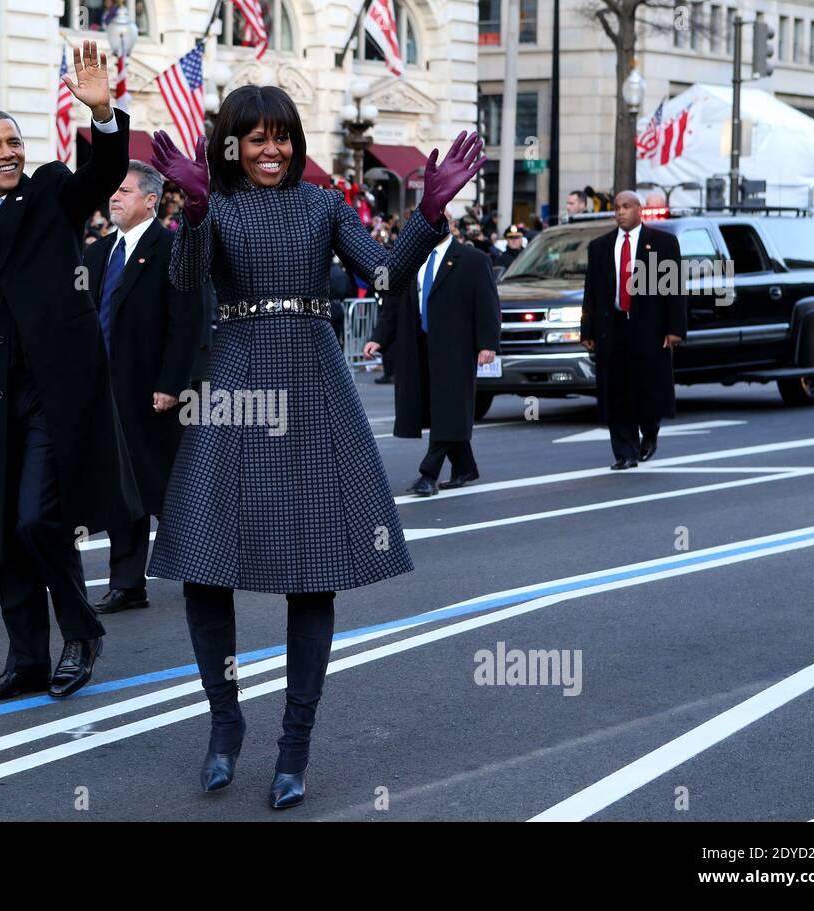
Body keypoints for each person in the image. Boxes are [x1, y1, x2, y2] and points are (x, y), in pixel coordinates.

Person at [148, 84, 484, 809]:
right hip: (234, 379)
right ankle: (224, 719)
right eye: (256, 137)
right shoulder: (215, 205)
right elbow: (182, 281)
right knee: (207, 568)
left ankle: (295, 743)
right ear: (232, 144)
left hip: (311, 380)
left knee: (313, 570)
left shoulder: (323, 205)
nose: (272, 150)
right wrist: (197, 211)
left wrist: (426, 215)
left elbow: (386, 276)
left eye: (284, 136)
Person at [0, 40, 141, 703]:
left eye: (15, 140)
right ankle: (26, 659)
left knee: (35, 521)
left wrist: (103, 115)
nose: (9, 151)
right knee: (3, 537)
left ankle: (82, 631)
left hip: (57, 391)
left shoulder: (51, 193)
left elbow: (102, 175)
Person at [83, 160, 201, 614]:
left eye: (125, 191)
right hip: (106, 391)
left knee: (167, 488)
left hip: (154, 393)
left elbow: (187, 323)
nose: (114, 198)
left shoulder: (173, 248)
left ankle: (198, 568)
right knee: (120, 491)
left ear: (150, 200)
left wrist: (172, 382)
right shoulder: (97, 254)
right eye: (113, 192)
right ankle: (127, 582)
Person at [365, 201, 501, 496]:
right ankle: (465, 466)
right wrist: (379, 338)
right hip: (417, 345)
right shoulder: (409, 260)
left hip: (456, 346)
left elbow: (488, 305)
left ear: (451, 225)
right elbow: (393, 304)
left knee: (449, 405)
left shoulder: (473, 260)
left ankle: (428, 473)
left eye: (440, 220)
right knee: (435, 407)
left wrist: (487, 344)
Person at [580, 190, 686, 469]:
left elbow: (674, 289)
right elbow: (590, 293)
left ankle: (650, 430)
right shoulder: (600, 247)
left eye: (626, 207)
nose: (620, 212)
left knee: (648, 385)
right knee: (615, 389)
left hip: (648, 326)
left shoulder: (662, 243)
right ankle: (624, 453)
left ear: (639, 209)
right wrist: (587, 330)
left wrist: (674, 329)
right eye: (616, 207)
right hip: (612, 326)